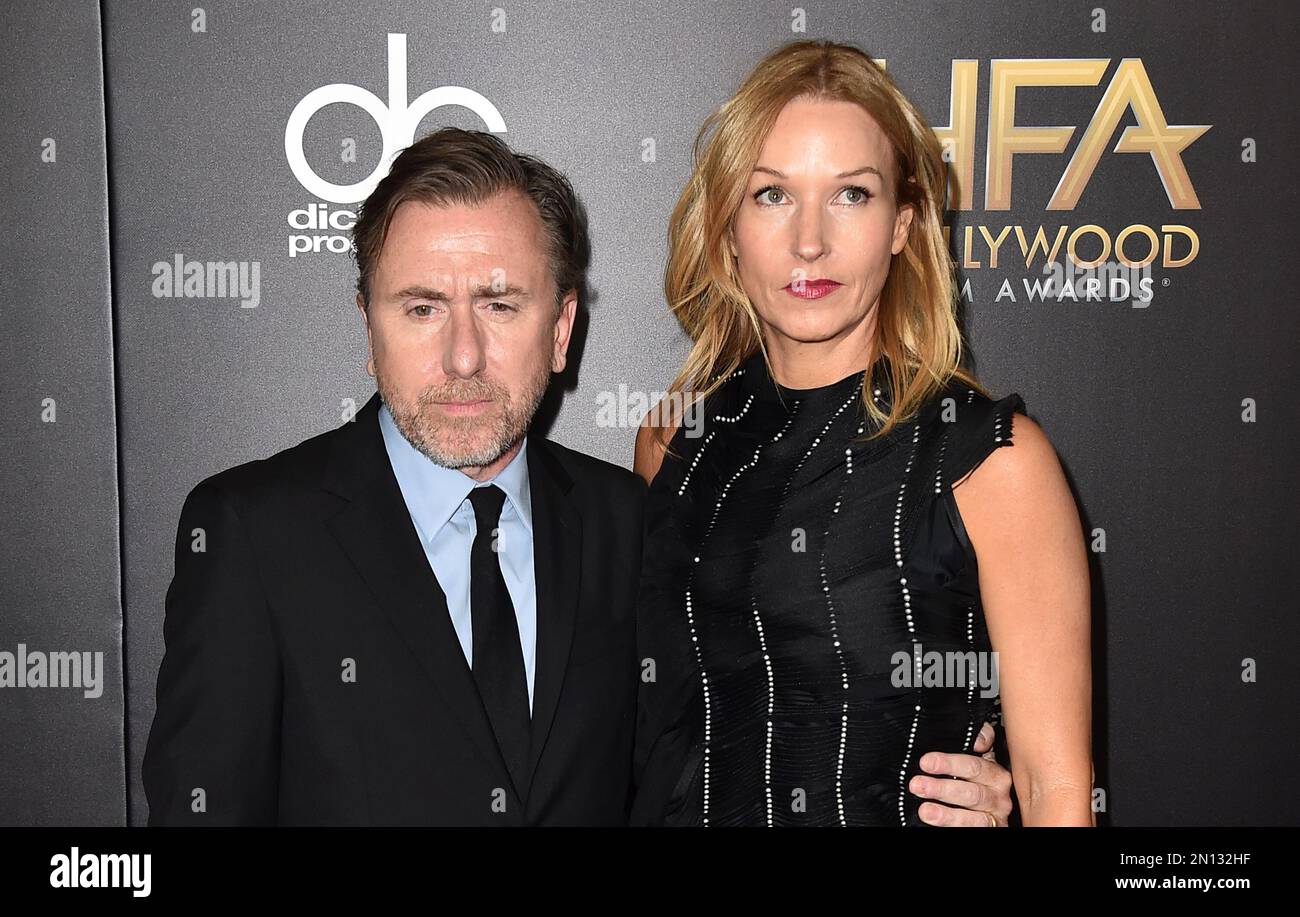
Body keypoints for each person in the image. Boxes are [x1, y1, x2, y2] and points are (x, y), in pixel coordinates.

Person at [631, 40, 1093, 826]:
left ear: (903, 225)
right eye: (772, 195)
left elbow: (1058, 795)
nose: (809, 241)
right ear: (728, 227)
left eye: (851, 195)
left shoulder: (990, 461)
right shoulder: (672, 442)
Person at [142, 127, 646, 825]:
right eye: (421, 307)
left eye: (499, 304)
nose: (463, 356)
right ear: (369, 333)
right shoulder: (253, 536)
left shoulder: (626, 521)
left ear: (560, 331)